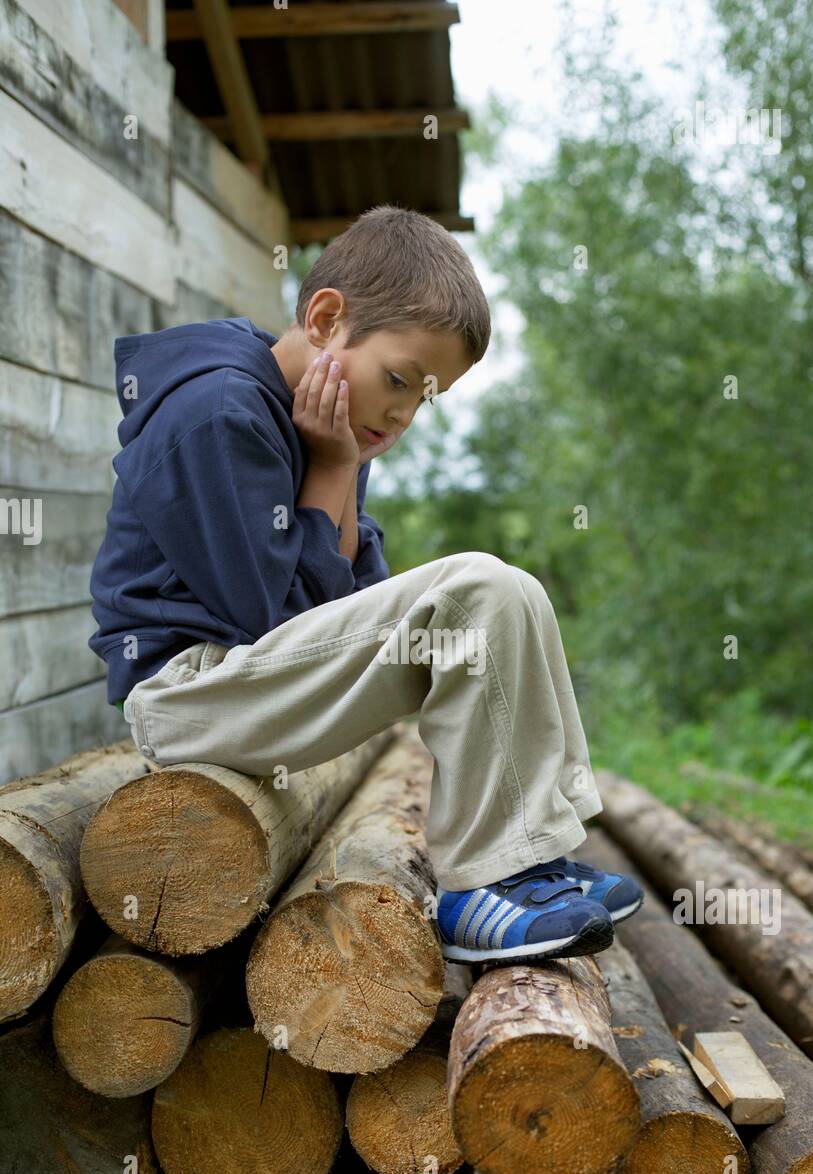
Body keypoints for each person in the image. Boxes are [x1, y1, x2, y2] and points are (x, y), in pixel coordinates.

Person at [89, 205, 642, 964]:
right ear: (324, 318)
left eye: (426, 396)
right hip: (189, 697)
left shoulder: (334, 421)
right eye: (399, 379)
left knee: (510, 589)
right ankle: (482, 885)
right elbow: (271, 621)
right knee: (476, 589)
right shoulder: (217, 412)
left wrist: (340, 459)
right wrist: (336, 466)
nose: (406, 411)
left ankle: (530, 857)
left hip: (251, 687)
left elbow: (355, 598)